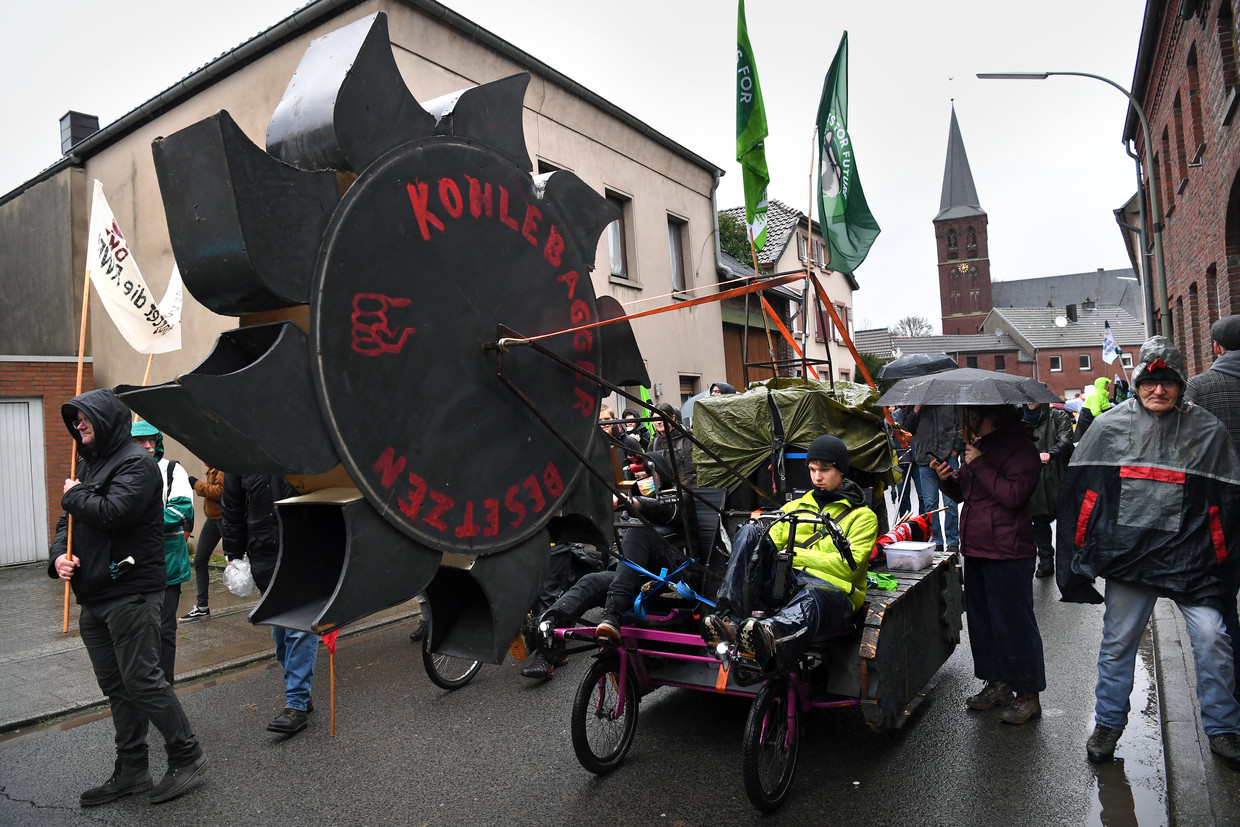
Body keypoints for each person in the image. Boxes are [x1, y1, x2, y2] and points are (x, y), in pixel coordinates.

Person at [1058, 336, 1240, 769]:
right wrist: (1075, 560)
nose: (1158, 390)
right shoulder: (1108, 428)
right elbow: (1080, 500)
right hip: (1130, 560)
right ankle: (1107, 723)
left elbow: (1228, 505)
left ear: (1181, 384)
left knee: (1214, 638)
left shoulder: (1207, 431)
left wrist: (1221, 561)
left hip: (1190, 563)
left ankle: (1223, 726)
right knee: (1118, 643)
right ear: (1138, 381)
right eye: (1150, 382)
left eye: (1168, 382)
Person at [49, 389, 207, 806]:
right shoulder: (84, 465)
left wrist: (73, 494)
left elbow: (114, 511)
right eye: (75, 419)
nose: (78, 424)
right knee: (117, 687)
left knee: (142, 679)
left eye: (85, 418)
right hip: (94, 595)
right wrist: (57, 560)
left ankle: (187, 756)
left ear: (105, 420)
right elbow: (67, 525)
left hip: (132, 592)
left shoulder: (137, 464)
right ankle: (133, 768)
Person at [700, 435, 878, 673]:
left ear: (841, 471)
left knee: (813, 594)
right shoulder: (795, 507)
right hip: (790, 585)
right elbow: (768, 546)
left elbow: (850, 568)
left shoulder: (863, 516)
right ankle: (729, 619)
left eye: (825, 470)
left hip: (833, 596)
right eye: (813, 470)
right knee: (752, 532)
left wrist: (796, 555)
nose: (817, 477)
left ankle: (770, 633)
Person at [934, 404, 1044, 725]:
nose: (966, 423)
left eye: (972, 417)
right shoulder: (979, 448)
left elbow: (1013, 495)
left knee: (1014, 624)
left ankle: (1027, 694)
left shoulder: (1022, 450)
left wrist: (980, 464)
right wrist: (946, 481)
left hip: (1009, 551)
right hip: (978, 548)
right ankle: (997, 684)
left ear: (990, 417)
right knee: (983, 622)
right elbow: (968, 493)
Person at [222, 474, 319, 735]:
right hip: (264, 554)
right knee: (279, 634)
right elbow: (232, 506)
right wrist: (233, 554)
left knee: (299, 631)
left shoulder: (298, 442)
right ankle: (300, 693)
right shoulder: (239, 455)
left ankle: (296, 703)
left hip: (303, 548)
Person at [1186, 314, 1240, 700]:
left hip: (1217, 517)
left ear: (1216, 348)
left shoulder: (1198, 388)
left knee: (1222, 602)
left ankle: (1234, 686)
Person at [130, 420, 194, 682]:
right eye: (140, 441)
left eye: (152, 440)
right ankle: (143, 683)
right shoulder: (121, 471)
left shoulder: (172, 470)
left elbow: (180, 510)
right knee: (137, 630)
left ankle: (165, 685)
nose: (147, 446)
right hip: (132, 565)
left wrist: (138, 520)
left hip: (168, 563)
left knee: (164, 629)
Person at [1022, 402, 1075, 578]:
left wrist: (1051, 453)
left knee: (1068, 524)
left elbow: (1067, 441)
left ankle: (1073, 566)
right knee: (1039, 522)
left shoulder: (1057, 416)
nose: (1031, 401)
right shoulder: (1019, 419)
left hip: (1058, 475)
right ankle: (1045, 561)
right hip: (1033, 477)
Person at [903, 403, 961, 552]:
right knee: (930, 504)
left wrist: (955, 450)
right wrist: (916, 409)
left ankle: (953, 542)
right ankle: (936, 541)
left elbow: (961, 426)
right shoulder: (915, 401)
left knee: (951, 503)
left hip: (948, 457)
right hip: (925, 459)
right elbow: (907, 428)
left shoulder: (950, 401)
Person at [183, 464, 223, 620]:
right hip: (212, 520)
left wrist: (196, 484)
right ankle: (202, 606)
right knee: (199, 561)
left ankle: (267, 598)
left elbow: (220, 491)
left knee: (241, 560)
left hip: (224, 518)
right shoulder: (214, 464)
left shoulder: (222, 465)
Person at [651, 401, 696, 487]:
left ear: (673, 418)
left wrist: (679, 490)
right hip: (663, 491)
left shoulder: (687, 439)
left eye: (662, 418)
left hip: (687, 490)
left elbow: (691, 471)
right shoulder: (654, 443)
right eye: (655, 419)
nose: (658, 422)